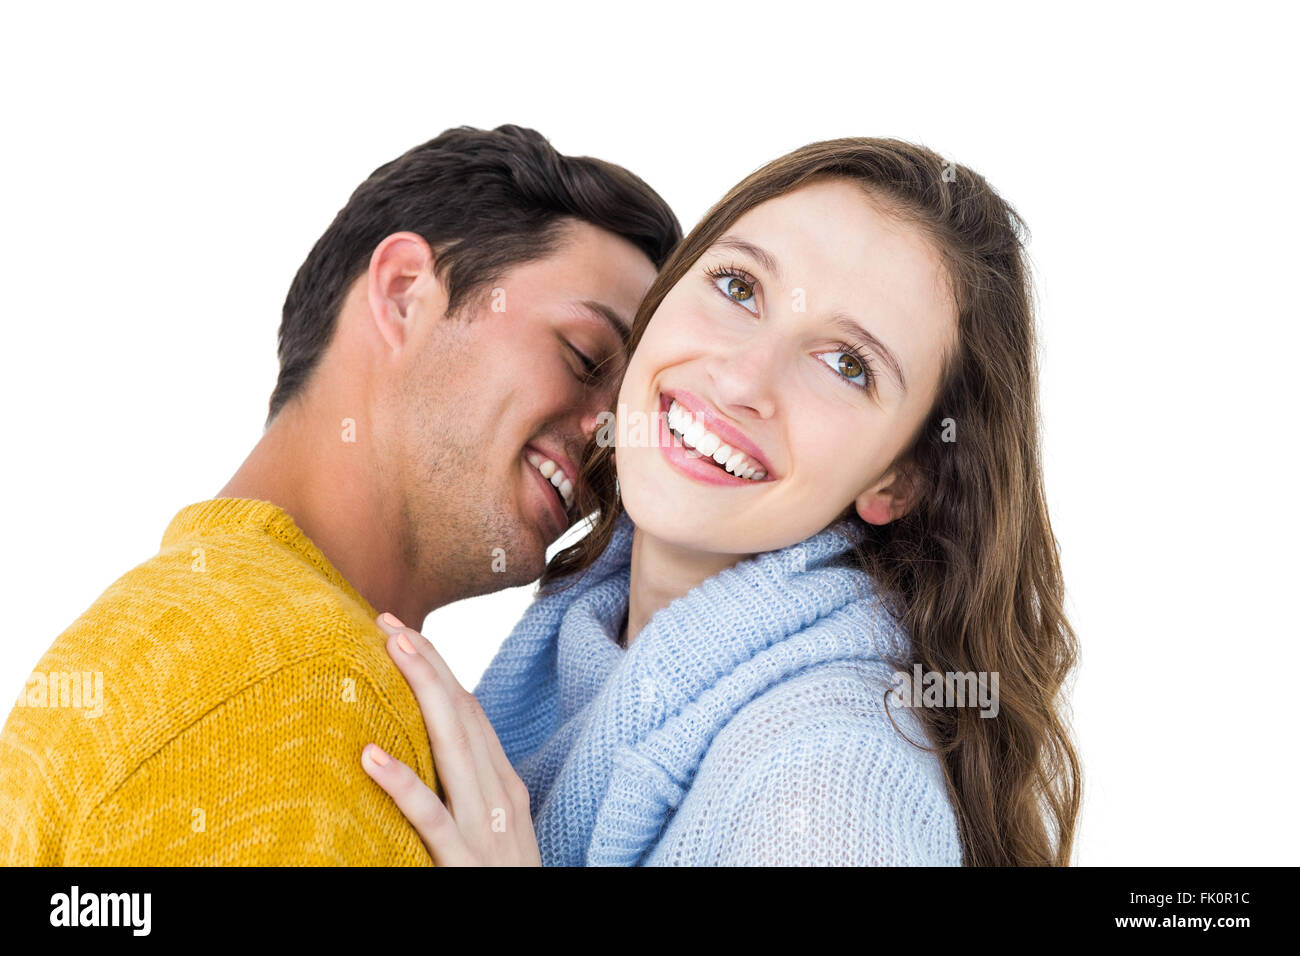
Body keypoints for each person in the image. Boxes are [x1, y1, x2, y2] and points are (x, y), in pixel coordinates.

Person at [359, 137, 1082, 866]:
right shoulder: (580, 638)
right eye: (739, 287)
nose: (742, 380)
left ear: (899, 480)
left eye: (846, 364)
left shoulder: (831, 783)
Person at [0, 125, 681, 865]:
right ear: (404, 293)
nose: (609, 438)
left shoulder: (159, 636)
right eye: (584, 357)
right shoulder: (306, 682)